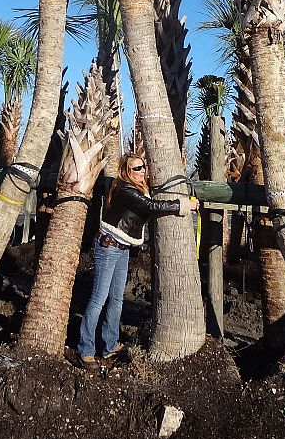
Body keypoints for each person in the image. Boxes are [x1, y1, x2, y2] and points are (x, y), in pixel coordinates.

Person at [77, 152, 198, 365]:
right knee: (99, 299)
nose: (141, 171)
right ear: (126, 171)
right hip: (108, 248)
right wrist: (182, 206)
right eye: (136, 168)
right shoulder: (125, 189)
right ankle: (86, 348)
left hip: (122, 248)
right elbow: (150, 207)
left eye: (143, 167)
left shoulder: (138, 188)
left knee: (116, 299)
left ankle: (110, 345)